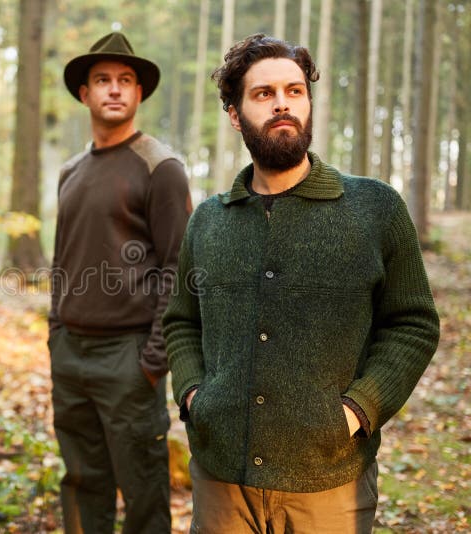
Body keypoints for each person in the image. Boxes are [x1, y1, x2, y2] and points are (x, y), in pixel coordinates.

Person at [162, 34, 440, 533]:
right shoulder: (207, 220)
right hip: (222, 479)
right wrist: (193, 395)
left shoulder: (374, 209)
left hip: (329, 482)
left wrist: (359, 409)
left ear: (309, 102)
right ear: (234, 112)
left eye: (295, 90)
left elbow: (413, 323)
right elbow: (182, 320)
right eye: (263, 93)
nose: (283, 104)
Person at [48, 31, 192, 533]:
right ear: (84, 93)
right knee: (81, 480)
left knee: (143, 489)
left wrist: (152, 362)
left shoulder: (161, 167)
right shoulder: (70, 171)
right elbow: (63, 261)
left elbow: (179, 269)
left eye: (125, 81)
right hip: (70, 354)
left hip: (128, 358)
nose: (114, 89)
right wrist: (55, 334)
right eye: (103, 80)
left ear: (139, 94)